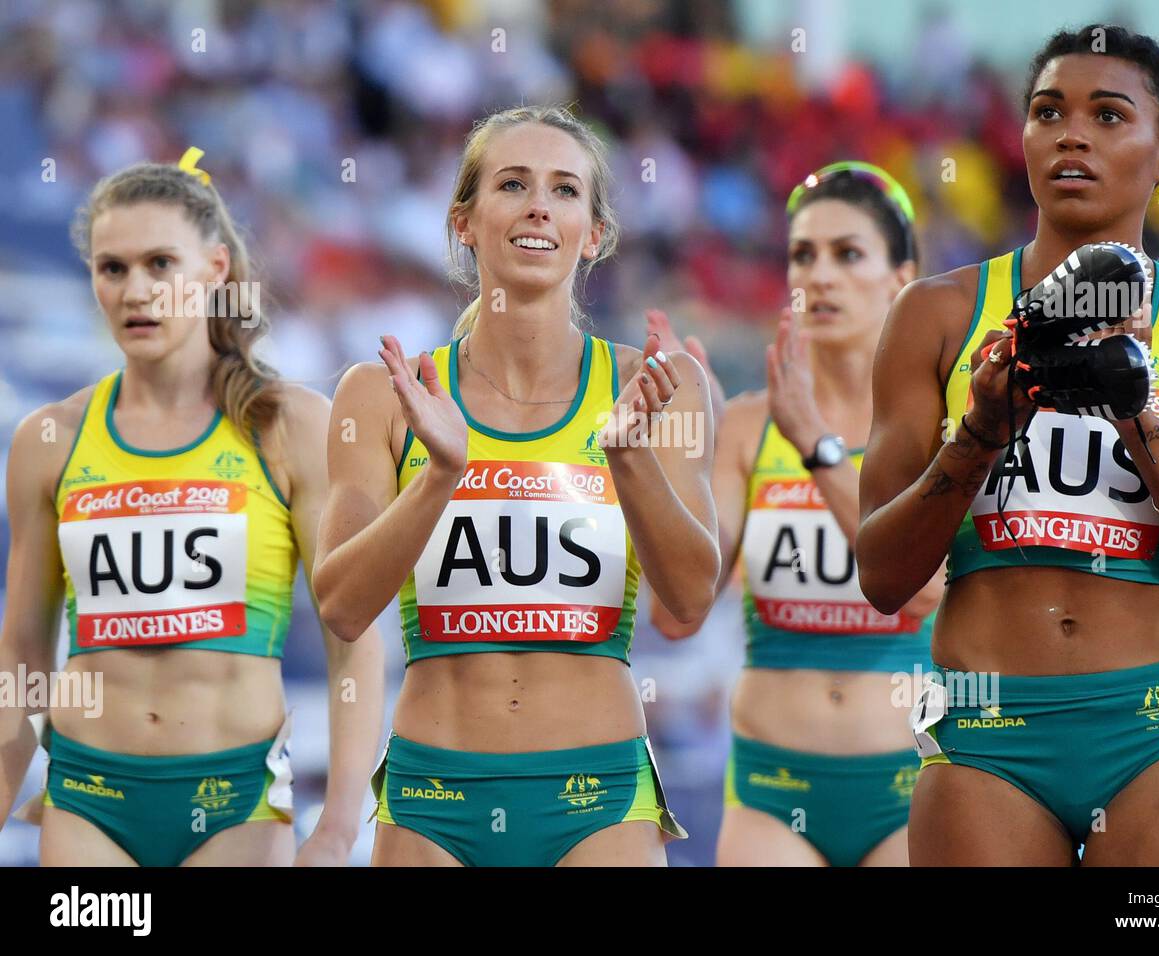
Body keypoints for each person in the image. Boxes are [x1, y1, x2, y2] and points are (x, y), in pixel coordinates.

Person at [857, 25, 1159, 866]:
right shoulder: (935, 315)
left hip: (1156, 733)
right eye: (1048, 111)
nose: (1072, 134)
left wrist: (1142, 422)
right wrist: (980, 432)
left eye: (1108, 114)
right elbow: (881, 577)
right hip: (987, 730)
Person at [312, 106, 719, 867]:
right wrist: (440, 477)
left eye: (565, 190)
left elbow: (689, 605)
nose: (539, 205)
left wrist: (628, 457)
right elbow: (341, 607)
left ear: (592, 234)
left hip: (598, 799)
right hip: (434, 799)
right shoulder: (385, 392)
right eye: (513, 183)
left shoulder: (659, 385)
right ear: (464, 222)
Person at [0, 149, 384, 866]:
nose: (135, 290)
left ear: (213, 270)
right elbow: (22, 654)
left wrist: (337, 827)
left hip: (235, 805)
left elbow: (353, 642)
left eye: (159, 265)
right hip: (88, 801)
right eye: (112, 268)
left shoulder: (289, 426)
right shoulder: (48, 440)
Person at [650, 162, 945, 866]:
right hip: (771, 786)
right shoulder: (751, 427)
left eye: (848, 254)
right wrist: (685, 458)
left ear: (900, 278)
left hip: (915, 783)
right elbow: (677, 614)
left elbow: (925, 590)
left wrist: (815, 444)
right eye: (802, 255)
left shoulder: (941, 427)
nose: (821, 276)